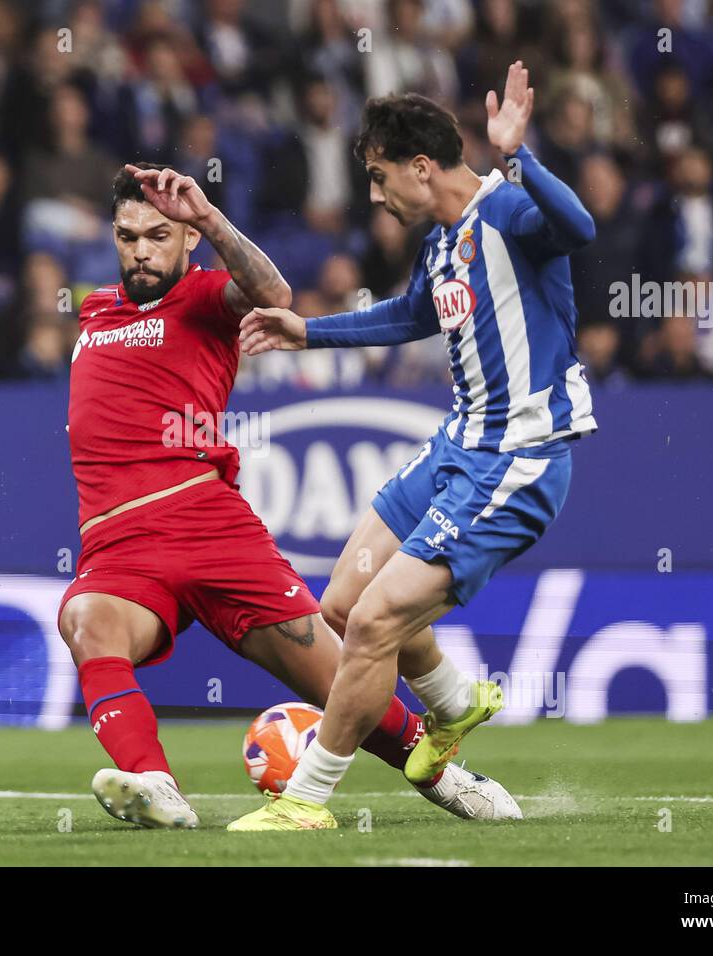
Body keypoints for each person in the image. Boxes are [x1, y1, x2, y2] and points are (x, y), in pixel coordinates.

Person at [60, 162, 516, 829]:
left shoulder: (209, 295)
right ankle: (155, 785)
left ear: (186, 239)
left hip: (208, 524)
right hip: (118, 543)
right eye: (128, 236)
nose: (142, 249)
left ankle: (444, 775)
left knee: (340, 685)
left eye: (160, 234)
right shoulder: (96, 309)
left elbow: (274, 290)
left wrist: (210, 218)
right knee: (85, 624)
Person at [232, 61, 595, 830]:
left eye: (377, 175)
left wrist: (518, 157)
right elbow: (410, 317)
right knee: (342, 604)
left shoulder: (510, 214)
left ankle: (306, 804)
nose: (373, 194)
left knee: (372, 626)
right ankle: (456, 705)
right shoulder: (442, 244)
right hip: (455, 446)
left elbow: (580, 228)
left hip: (518, 458)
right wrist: (310, 333)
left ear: (421, 167)